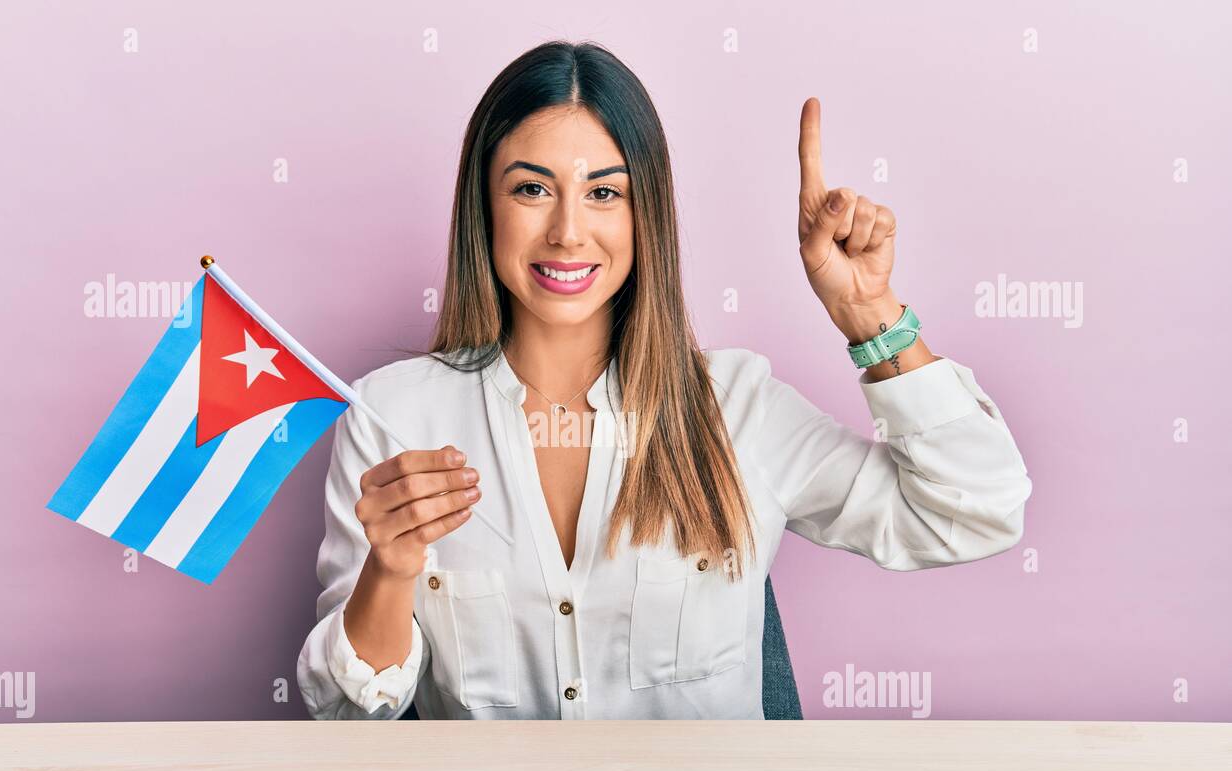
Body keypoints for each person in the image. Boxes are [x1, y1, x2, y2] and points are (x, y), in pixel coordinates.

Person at [296, 40, 1032, 720]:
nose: (567, 232)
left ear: (647, 212)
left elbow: (973, 512)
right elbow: (344, 712)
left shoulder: (738, 411)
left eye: (604, 193)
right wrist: (389, 571)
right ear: (482, 211)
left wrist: (870, 313)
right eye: (530, 189)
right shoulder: (393, 417)